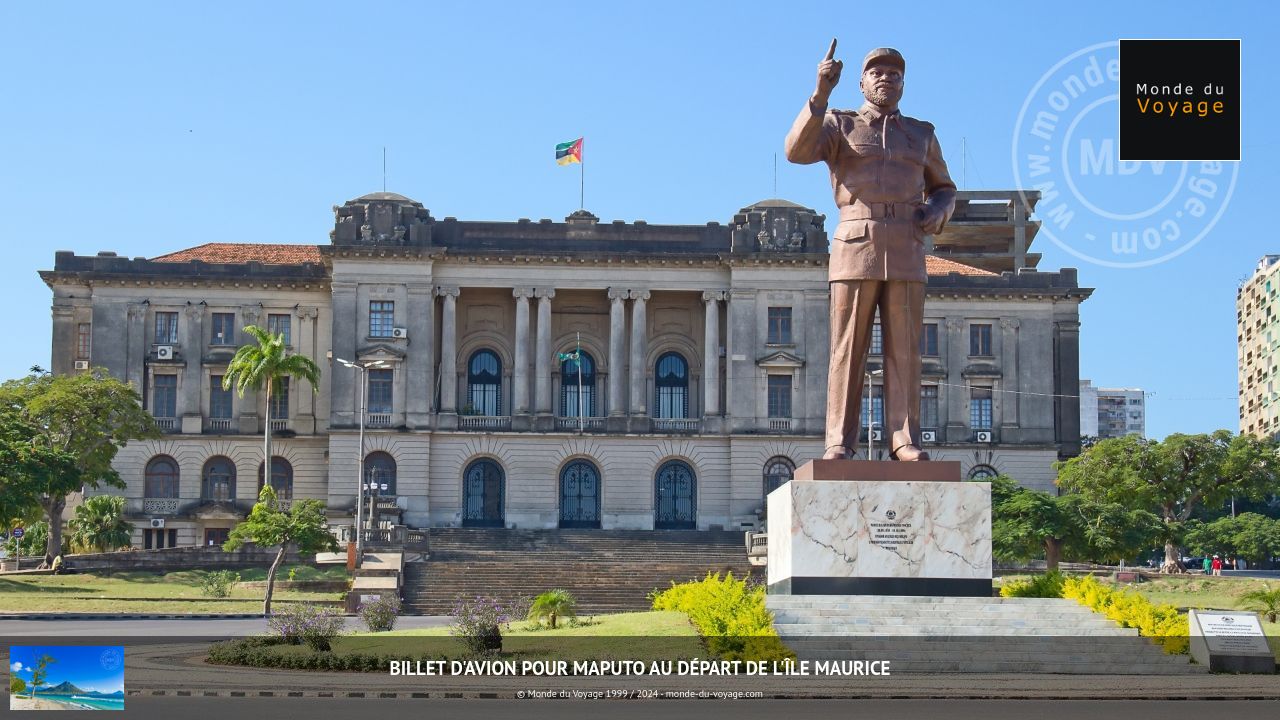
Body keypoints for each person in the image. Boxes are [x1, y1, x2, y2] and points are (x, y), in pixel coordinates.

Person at [785, 41, 956, 461]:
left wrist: (938, 208)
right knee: (848, 348)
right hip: (855, 242)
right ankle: (839, 441)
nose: (886, 78)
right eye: (877, 72)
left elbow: (944, 186)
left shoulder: (921, 134)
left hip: (906, 244)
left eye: (894, 73)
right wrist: (820, 94)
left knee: (905, 351)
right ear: (861, 82)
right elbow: (796, 151)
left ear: (903, 84)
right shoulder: (839, 124)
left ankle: (904, 439)